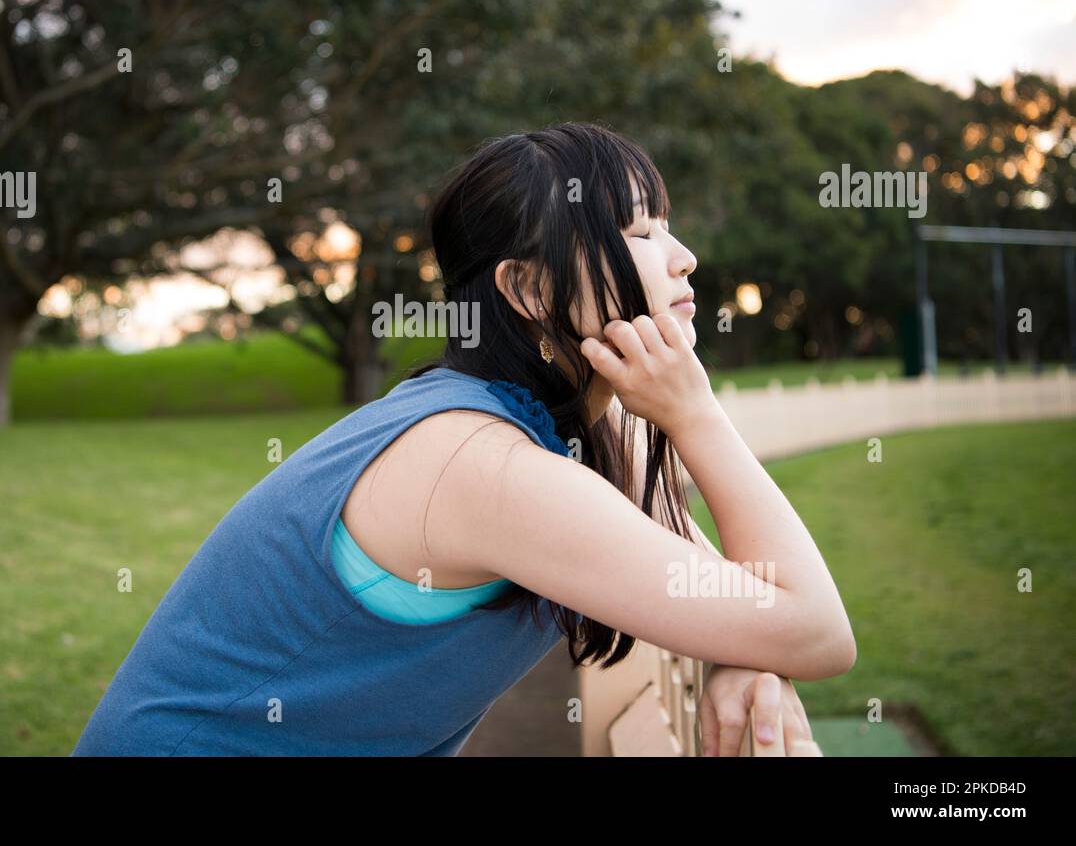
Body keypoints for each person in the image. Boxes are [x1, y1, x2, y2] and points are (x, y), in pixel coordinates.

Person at [72, 121, 855, 757]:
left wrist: (738, 654)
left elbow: (731, 593)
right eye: (642, 231)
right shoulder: (485, 465)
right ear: (529, 288)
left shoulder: (567, 429)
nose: (684, 258)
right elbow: (817, 628)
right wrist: (696, 415)